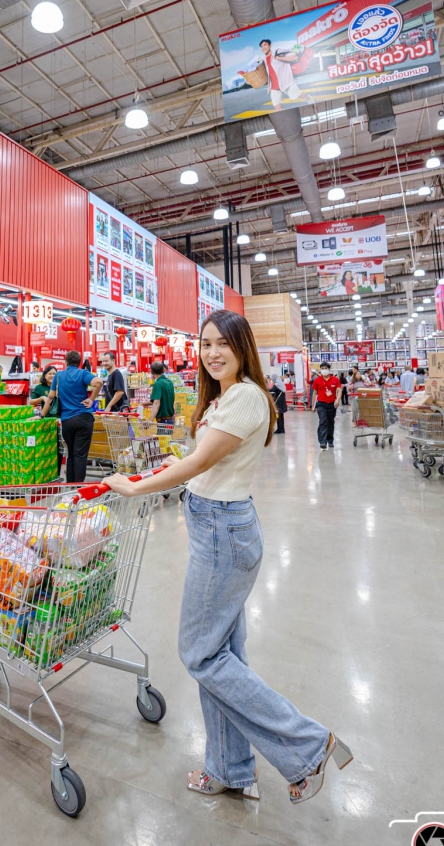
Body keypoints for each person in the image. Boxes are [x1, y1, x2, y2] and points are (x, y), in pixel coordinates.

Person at [105, 309, 352, 804]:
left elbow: (199, 462)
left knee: (198, 653)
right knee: (221, 655)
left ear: (243, 348)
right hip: (216, 526)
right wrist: (170, 469)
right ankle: (231, 768)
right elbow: (203, 463)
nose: (212, 353)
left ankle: (308, 746)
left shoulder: (245, 398)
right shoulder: (225, 398)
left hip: (222, 532)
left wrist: (136, 488)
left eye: (223, 344)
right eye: (205, 343)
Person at [40, 351, 102, 482]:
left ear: (66, 362)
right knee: (81, 454)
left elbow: (50, 397)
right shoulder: (83, 373)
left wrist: (41, 415)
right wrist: (91, 399)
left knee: (71, 453)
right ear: (79, 363)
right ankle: (79, 488)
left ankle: (69, 484)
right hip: (84, 418)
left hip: (67, 420)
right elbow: (98, 383)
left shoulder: (59, 375)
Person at [258, 38, 302, 111]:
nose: (263, 47)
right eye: (261, 46)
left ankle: (308, 97)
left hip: (286, 82)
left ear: (270, 45)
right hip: (274, 86)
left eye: (265, 45)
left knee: (299, 96)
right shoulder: (264, 59)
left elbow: (294, 56)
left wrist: (279, 58)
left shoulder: (278, 51)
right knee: (277, 108)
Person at [311, 362, 341, 451]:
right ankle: (322, 442)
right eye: (322, 368)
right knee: (323, 421)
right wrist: (313, 405)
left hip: (332, 404)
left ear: (329, 369)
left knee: (330, 423)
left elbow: (339, 391)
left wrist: (337, 400)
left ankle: (330, 440)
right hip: (321, 404)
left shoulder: (335, 380)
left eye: (325, 368)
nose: (324, 370)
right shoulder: (317, 380)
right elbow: (314, 393)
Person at [149, 360, 175, 426]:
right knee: (169, 436)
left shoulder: (158, 384)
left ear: (151, 371)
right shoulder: (169, 382)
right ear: (163, 370)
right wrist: (145, 403)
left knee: (162, 436)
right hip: (170, 420)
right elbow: (165, 399)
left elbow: (157, 402)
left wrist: (150, 420)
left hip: (163, 421)